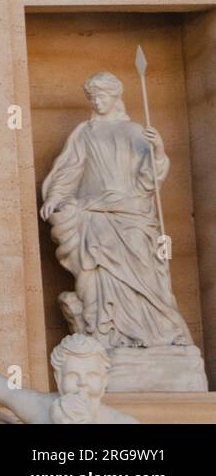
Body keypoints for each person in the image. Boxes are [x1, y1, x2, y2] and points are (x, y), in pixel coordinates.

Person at [41, 71, 191, 348]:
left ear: (115, 98)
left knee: (144, 274)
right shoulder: (85, 133)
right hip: (93, 215)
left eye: (103, 96)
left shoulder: (135, 132)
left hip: (130, 214)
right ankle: (106, 333)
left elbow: (149, 180)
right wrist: (57, 196)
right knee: (95, 272)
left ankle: (155, 334)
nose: (97, 102)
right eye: (93, 97)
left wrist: (158, 150)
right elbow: (71, 168)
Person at [0, 334, 138, 424]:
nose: (82, 383)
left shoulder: (123, 423)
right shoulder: (39, 407)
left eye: (92, 375)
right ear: (58, 379)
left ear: (104, 381)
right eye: (72, 375)